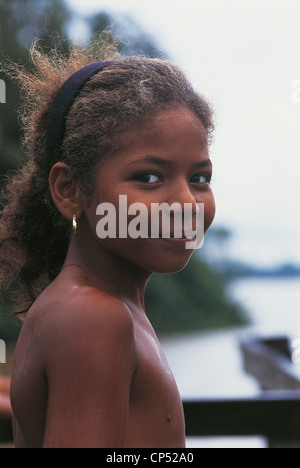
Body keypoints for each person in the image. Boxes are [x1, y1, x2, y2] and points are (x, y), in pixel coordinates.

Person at [0, 35, 215, 448]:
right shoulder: (91, 318)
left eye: (200, 178)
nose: (187, 202)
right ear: (70, 190)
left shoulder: (105, 308)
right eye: (149, 177)